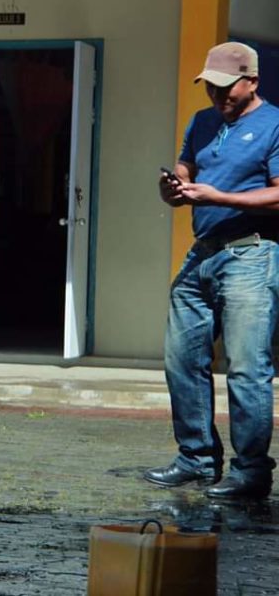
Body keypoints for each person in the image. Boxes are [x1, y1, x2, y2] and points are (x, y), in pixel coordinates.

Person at [145, 42, 279, 499]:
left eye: (227, 87)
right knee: (181, 359)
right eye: (211, 87)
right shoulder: (202, 121)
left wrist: (217, 197)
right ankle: (196, 459)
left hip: (251, 255)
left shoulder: (273, 124)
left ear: (252, 81)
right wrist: (173, 188)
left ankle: (252, 471)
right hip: (202, 253)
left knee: (246, 367)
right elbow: (185, 168)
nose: (218, 96)